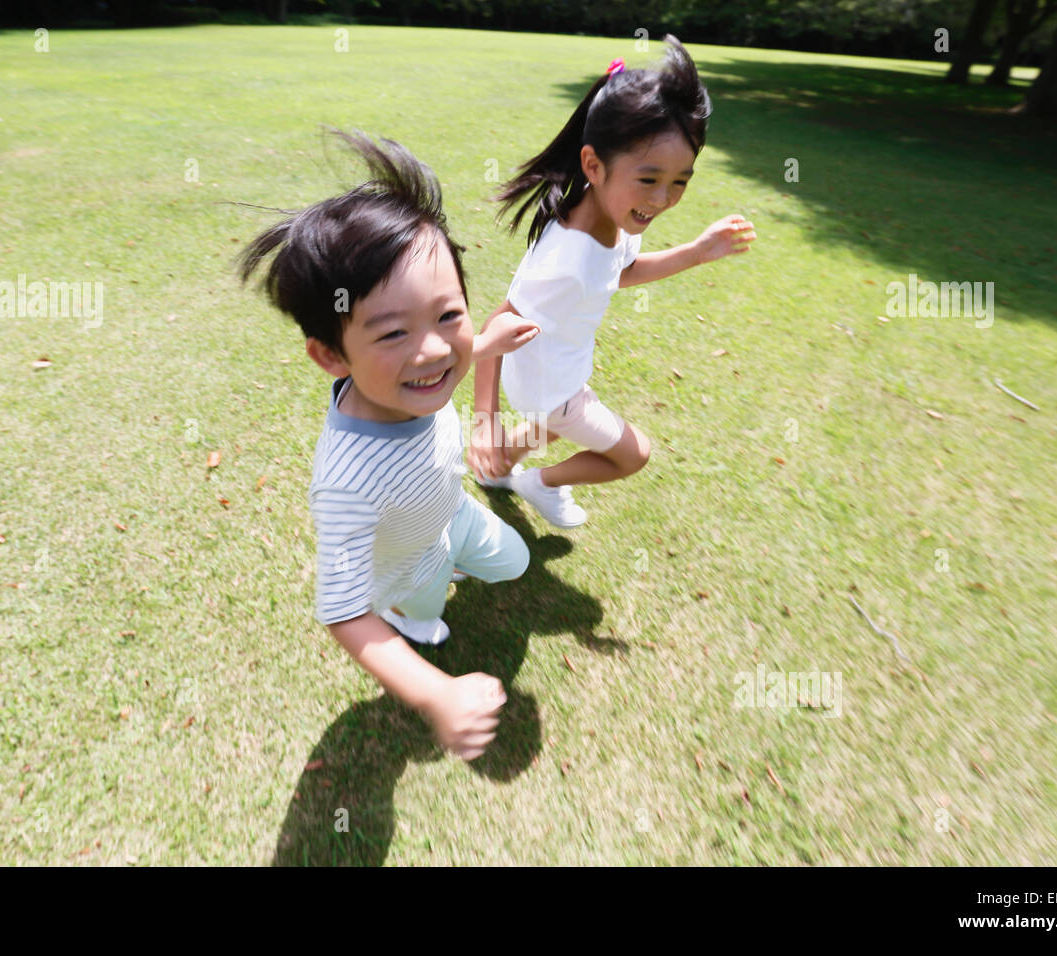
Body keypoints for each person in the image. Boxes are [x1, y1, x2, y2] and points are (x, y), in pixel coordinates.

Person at [239, 131, 540, 760]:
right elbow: (344, 615)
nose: (430, 349)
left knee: (515, 562)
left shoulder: (418, 377)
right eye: (394, 332)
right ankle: (406, 613)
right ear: (330, 355)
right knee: (425, 623)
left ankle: (453, 561)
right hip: (407, 563)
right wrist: (435, 694)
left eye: (448, 316)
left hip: (451, 515)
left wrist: (484, 343)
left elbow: (445, 358)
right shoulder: (348, 480)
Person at [469, 36, 756, 527]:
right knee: (633, 454)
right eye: (649, 179)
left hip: (554, 372)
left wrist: (697, 252)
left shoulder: (611, 214)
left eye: (680, 180)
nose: (664, 198)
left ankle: (498, 469)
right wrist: (483, 421)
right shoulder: (568, 256)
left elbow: (617, 273)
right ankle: (540, 483)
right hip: (547, 382)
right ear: (593, 165)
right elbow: (499, 323)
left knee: (553, 425)